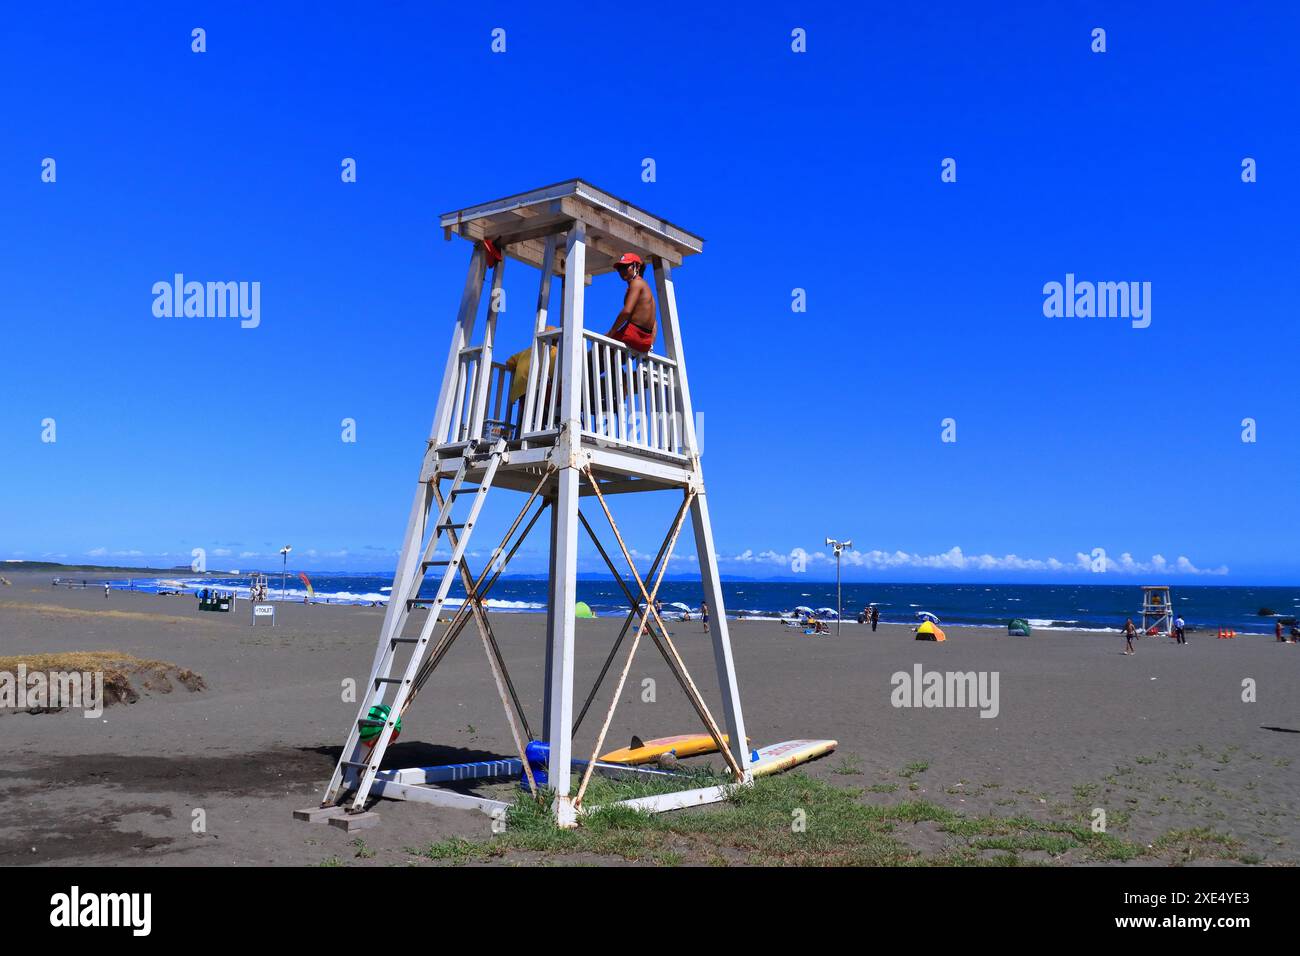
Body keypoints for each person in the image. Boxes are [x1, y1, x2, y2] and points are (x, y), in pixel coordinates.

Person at [605, 253, 656, 353]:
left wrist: (611, 332)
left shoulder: (636, 283)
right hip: (644, 342)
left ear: (637, 267)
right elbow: (654, 323)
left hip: (631, 336)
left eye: (625, 267)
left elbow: (627, 311)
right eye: (620, 268)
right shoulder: (646, 289)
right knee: (611, 360)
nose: (622, 271)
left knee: (595, 353)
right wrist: (651, 344)